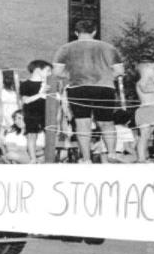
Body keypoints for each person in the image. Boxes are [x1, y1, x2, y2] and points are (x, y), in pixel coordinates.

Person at [52, 19, 126, 163]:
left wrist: (71, 75)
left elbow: (56, 72)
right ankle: (112, 154)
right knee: (107, 122)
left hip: (78, 88)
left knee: (82, 123)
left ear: (76, 33)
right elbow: (119, 71)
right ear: (94, 32)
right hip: (104, 88)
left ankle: (86, 159)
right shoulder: (108, 47)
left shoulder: (65, 48)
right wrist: (104, 76)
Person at [20, 60, 53, 163]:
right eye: (48, 70)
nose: (50, 74)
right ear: (38, 70)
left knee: (50, 134)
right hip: (31, 113)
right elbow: (26, 100)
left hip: (46, 112)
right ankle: (33, 159)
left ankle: (49, 158)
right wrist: (41, 94)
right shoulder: (26, 84)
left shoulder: (49, 84)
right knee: (32, 135)